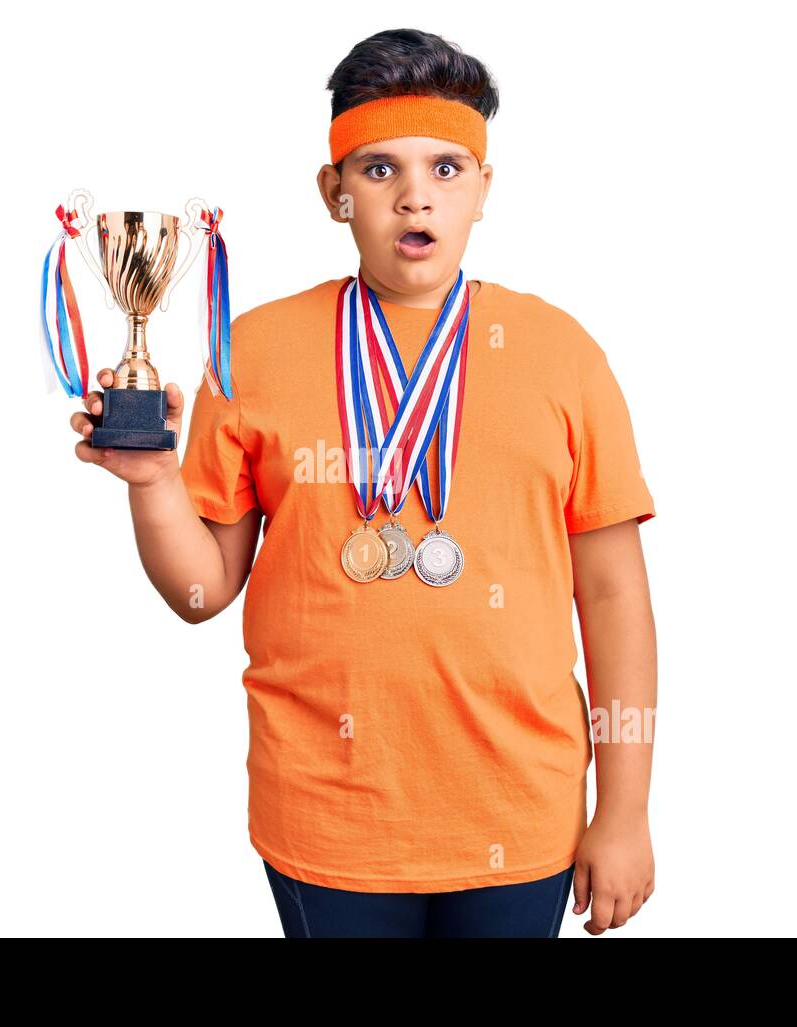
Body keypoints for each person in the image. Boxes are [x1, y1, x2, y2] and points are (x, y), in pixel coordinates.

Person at [69, 28, 658, 938]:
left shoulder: (561, 354)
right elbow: (202, 590)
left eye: (447, 168)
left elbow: (615, 594)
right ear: (333, 192)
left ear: (485, 190)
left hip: (520, 811)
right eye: (378, 169)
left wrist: (625, 810)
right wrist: (151, 481)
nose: (415, 195)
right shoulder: (251, 350)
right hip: (329, 815)